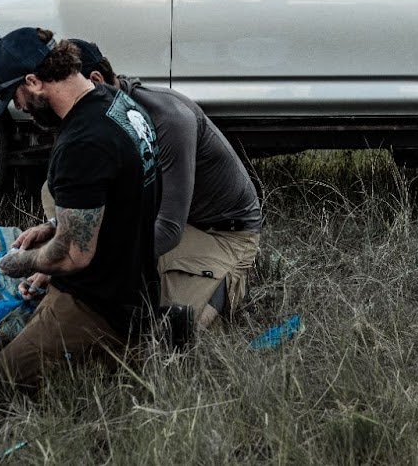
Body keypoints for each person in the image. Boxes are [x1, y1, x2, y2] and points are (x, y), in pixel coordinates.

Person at [39, 39, 264, 331]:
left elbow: (170, 229)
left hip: (218, 233)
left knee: (168, 330)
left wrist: (84, 264)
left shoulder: (169, 119)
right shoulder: (102, 115)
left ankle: (222, 282)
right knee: (51, 188)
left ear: (94, 80)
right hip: (154, 219)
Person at [0, 28, 160, 390]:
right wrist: (54, 224)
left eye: (14, 95)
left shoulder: (82, 143)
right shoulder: (120, 105)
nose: (18, 107)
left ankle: (114, 355)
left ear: (33, 82)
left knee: (0, 377)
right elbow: (115, 198)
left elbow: (74, 255)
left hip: (100, 304)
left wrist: (24, 262)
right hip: (139, 286)